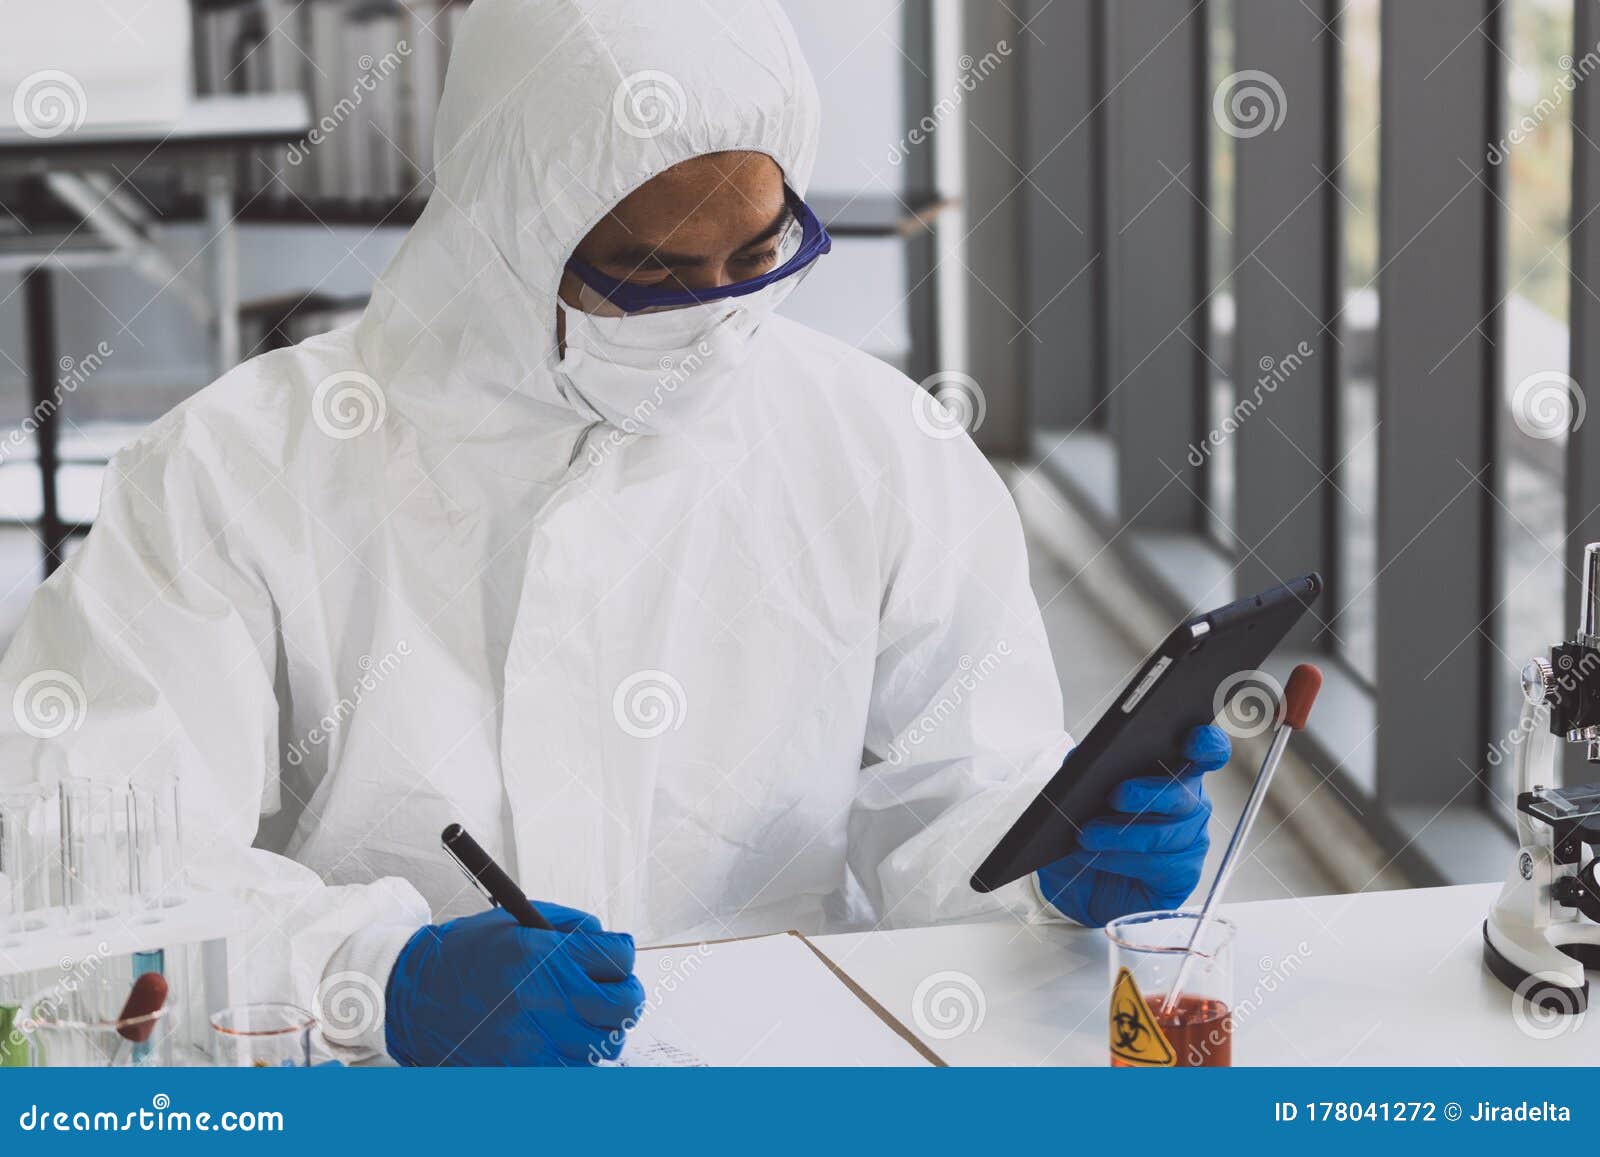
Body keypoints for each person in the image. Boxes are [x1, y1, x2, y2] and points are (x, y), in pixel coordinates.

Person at [0, 0, 1229, 1065]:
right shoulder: (234, 473)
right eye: (646, 272)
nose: (708, 319)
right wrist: (378, 981)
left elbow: (952, 791)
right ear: (503, 234)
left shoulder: (875, 445)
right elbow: (74, 884)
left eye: (755, 254)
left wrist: (1050, 857)